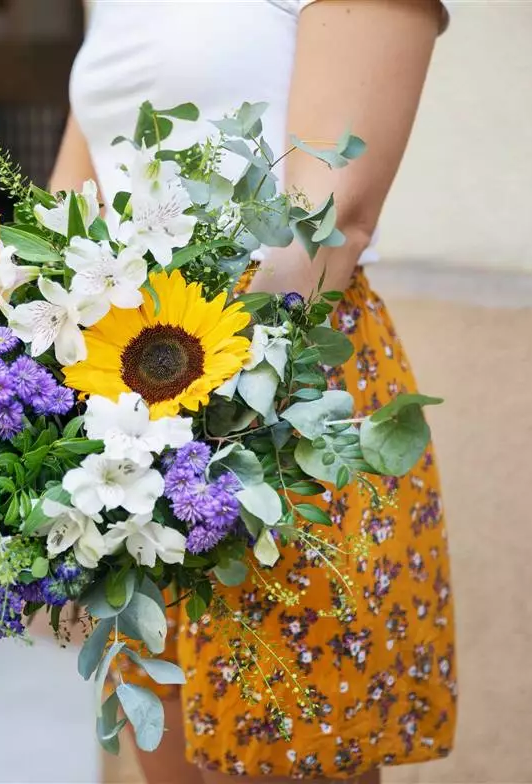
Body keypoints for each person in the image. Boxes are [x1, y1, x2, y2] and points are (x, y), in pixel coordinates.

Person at [49, 1, 457, 782]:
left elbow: (332, 219)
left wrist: (192, 391)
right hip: (128, 395)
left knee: (284, 740)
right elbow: (73, 199)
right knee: (160, 714)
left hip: (284, 391)